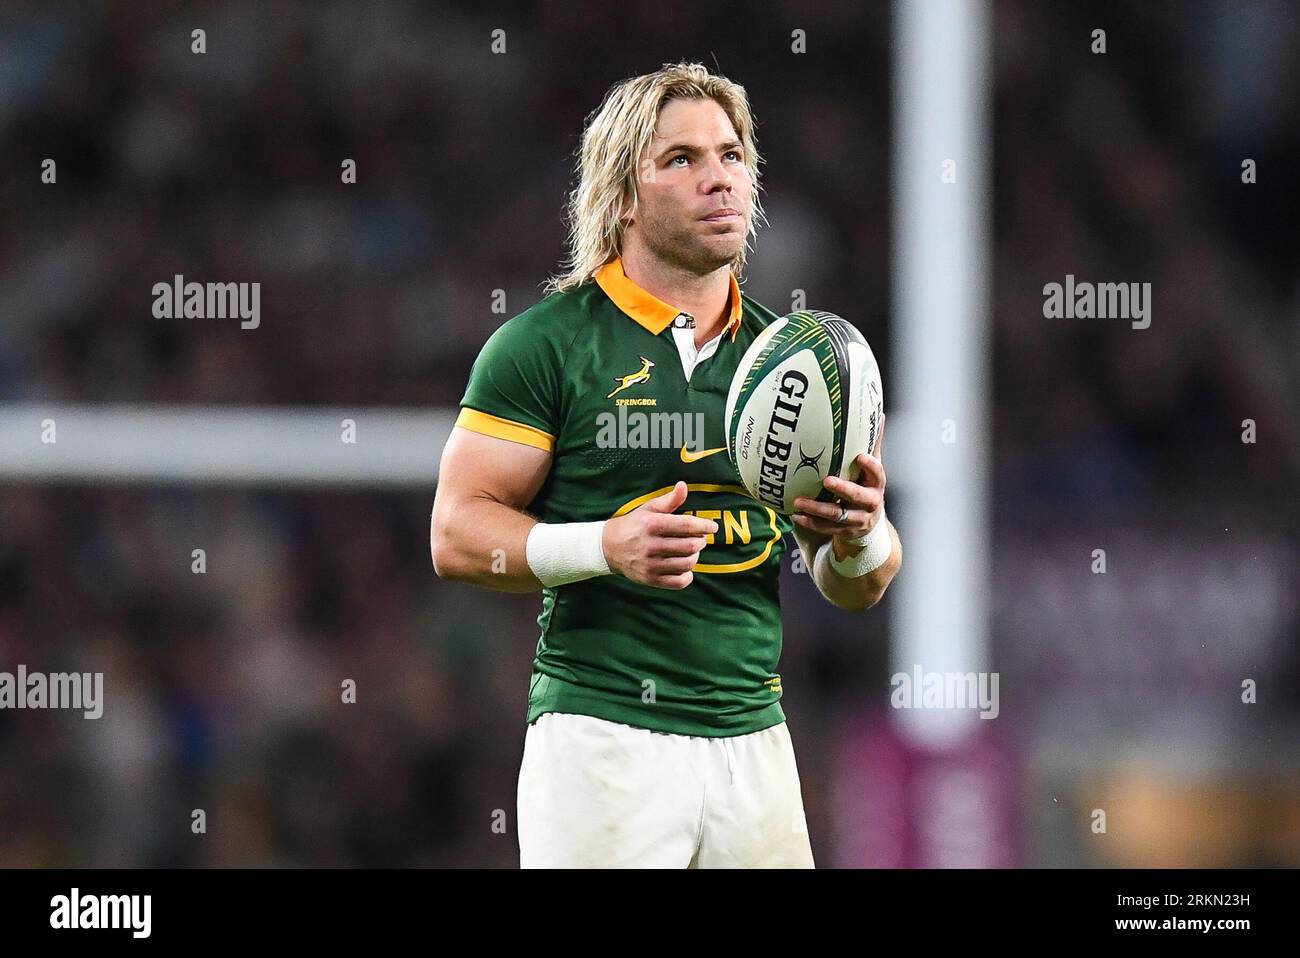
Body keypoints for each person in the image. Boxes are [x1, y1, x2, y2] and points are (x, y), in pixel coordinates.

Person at [430, 61, 901, 868]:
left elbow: (854, 585)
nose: (717, 178)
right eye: (681, 159)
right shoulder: (546, 345)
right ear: (622, 193)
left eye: (731, 155)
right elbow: (456, 535)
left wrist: (861, 537)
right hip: (603, 739)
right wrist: (602, 547)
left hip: (754, 740)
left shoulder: (800, 362)